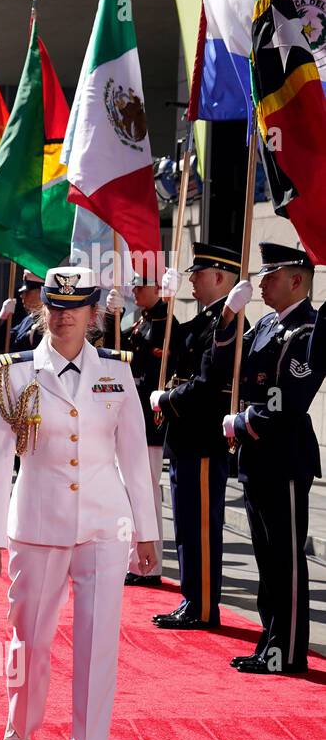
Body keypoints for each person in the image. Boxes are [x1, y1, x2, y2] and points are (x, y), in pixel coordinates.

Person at [0, 265, 159, 740]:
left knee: (99, 648)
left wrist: (146, 532)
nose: (63, 315)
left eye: (75, 306)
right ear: (43, 309)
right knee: (30, 638)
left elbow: (133, 460)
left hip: (104, 525)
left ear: (94, 312)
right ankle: (21, 723)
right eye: (54, 305)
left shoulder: (117, 373)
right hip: (37, 526)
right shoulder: (16, 372)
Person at [208, 243, 325, 675]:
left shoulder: (307, 332)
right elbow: (222, 366)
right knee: (266, 558)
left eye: (270, 275)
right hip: (257, 458)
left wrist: (241, 421)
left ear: (296, 280)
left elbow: (288, 401)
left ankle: (288, 651)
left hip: (284, 456)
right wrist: (226, 317)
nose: (261, 283)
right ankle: (269, 644)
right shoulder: (264, 326)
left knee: (286, 558)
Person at [149, 243, 238, 630]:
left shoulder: (229, 323)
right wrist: (163, 306)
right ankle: (192, 599)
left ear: (219, 277)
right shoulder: (206, 320)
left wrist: (167, 398)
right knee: (186, 525)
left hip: (202, 438)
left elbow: (207, 383)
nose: (192, 282)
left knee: (201, 526)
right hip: (186, 437)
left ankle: (202, 607)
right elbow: (172, 342)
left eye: (198, 275)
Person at [120, 273, 178, 586]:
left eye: (140, 286)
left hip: (150, 421)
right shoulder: (141, 322)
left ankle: (149, 565)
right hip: (131, 417)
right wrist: (111, 321)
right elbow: (117, 349)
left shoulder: (167, 324)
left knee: (146, 492)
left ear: (157, 289)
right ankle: (134, 559)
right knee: (131, 492)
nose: (133, 290)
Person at [2, 271, 45, 352]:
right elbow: (1, 342)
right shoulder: (28, 318)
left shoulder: (44, 323)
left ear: (41, 293)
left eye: (27, 291)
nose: (22, 296)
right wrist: (3, 317)